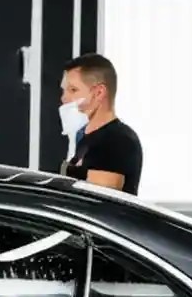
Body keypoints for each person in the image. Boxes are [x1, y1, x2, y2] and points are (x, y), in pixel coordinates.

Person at [58, 53, 142, 196]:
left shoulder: (117, 141)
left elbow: (96, 205)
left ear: (99, 93)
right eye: (64, 90)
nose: (64, 98)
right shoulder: (84, 139)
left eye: (73, 90)